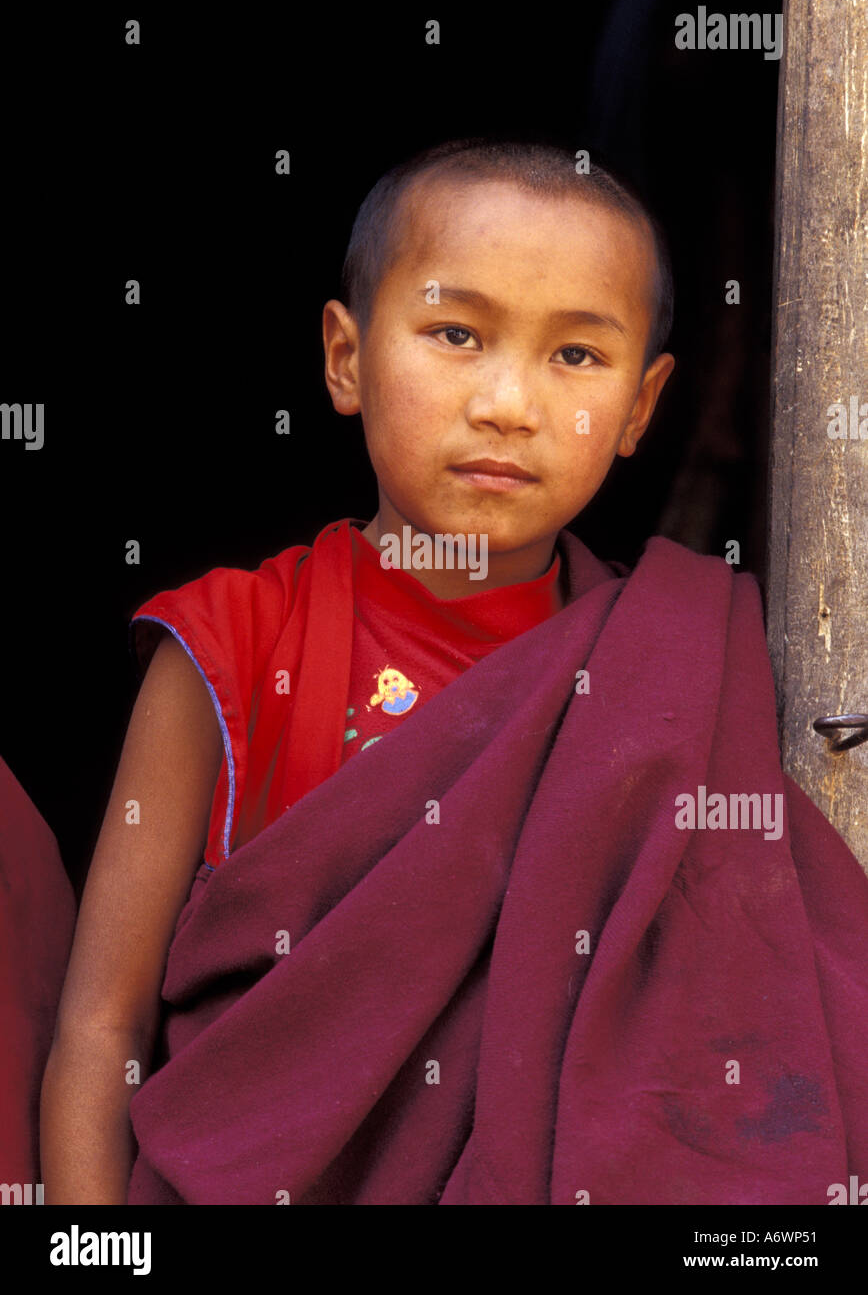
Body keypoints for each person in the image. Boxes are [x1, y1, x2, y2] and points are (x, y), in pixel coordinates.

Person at [39, 138, 868, 1206]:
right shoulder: (235, 640)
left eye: (575, 356)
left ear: (640, 409)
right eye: (455, 333)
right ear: (345, 357)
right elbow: (101, 1019)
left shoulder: (671, 665)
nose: (508, 403)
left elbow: (725, 1036)